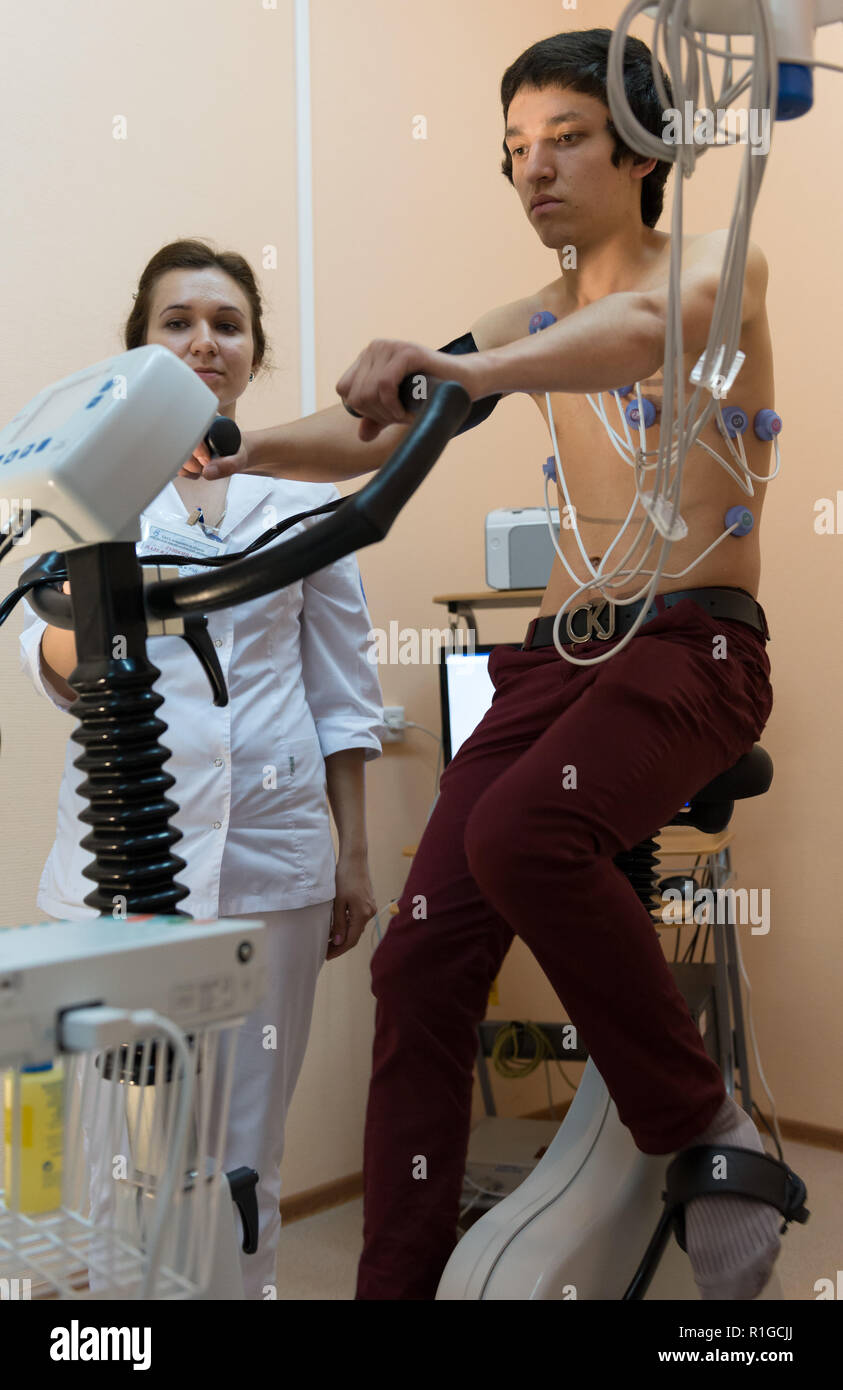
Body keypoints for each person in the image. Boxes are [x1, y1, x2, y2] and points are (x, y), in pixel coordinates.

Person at [184, 29, 784, 1301]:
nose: (534, 171)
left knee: (524, 833)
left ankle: (703, 1127)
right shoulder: (529, 317)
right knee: (419, 958)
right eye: (515, 149)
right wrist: (229, 443)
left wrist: (463, 369)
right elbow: (374, 425)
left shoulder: (716, 273)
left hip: (694, 644)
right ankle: (394, 1285)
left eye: (564, 137)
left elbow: (635, 335)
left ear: (644, 147)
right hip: (551, 664)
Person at [18, 238, 386, 1299]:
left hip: (275, 865)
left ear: (254, 350)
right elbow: (42, 647)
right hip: (119, 865)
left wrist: (353, 857)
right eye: (178, 320)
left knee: (243, 1142)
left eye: (226, 323)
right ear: (140, 344)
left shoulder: (306, 499)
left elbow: (342, 693)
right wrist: (90, 629)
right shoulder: (96, 481)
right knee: (109, 1139)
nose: (203, 341)